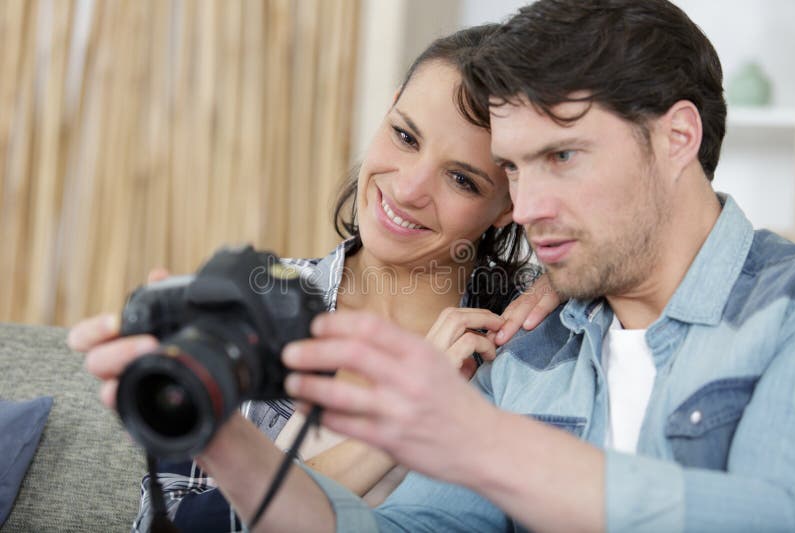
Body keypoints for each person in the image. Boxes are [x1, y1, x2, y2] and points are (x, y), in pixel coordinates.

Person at [78, 0, 795, 531]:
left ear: (677, 137)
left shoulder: (777, 310)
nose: (530, 205)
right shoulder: (538, 348)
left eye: (561, 156)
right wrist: (218, 437)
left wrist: (469, 436)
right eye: (516, 168)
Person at [68, 24, 560, 532]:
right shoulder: (253, 307)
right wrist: (396, 424)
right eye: (404, 135)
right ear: (387, 111)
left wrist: (569, 280)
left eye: (462, 179)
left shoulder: (536, 335)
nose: (409, 188)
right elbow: (168, 522)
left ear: (510, 204)